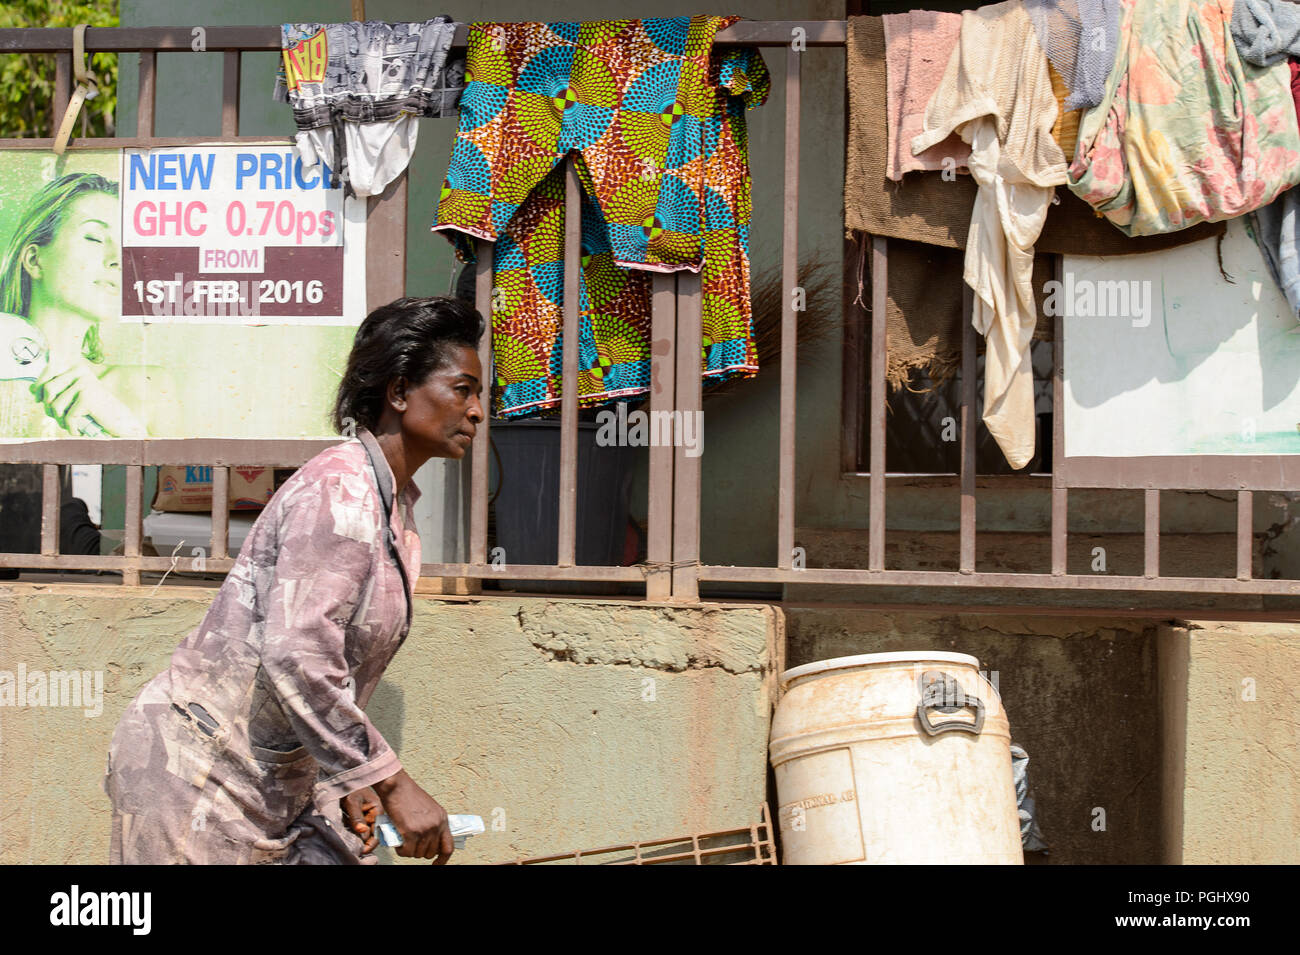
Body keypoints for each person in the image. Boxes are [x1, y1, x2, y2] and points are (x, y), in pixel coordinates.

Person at [104, 296, 485, 864]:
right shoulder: (340, 491)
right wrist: (392, 784)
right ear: (400, 392)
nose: (478, 411)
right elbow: (299, 654)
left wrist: (346, 780)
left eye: (481, 395)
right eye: (463, 389)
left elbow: (325, 670)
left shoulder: (392, 507)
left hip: (274, 785)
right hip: (200, 775)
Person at [0, 172, 146, 437]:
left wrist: (130, 431)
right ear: (34, 260)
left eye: (127, 248)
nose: (119, 260)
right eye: (94, 238)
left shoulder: (146, 389)